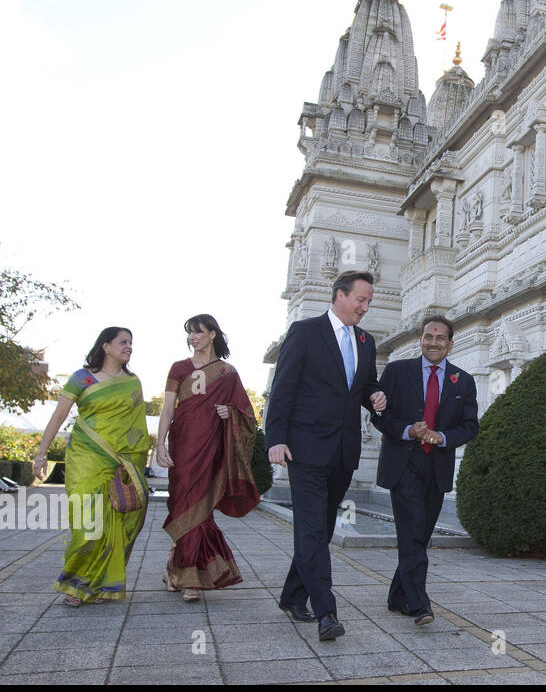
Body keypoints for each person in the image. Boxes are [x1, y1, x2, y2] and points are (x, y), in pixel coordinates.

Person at [264, 271, 387, 641]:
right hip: (305, 448)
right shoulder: (304, 332)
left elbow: (365, 386)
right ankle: (326, 612)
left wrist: (376, 397)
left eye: (368, 302)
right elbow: (282, 389)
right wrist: (276, 438)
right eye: (360, 300)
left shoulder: (366, 341)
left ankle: (291, 595)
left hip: (344, 451)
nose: (365, 308)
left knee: (322, 529)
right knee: (312, 529)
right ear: (339, 295)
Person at [372, 315, 478, 625]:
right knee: (413, 529)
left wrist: (442, 436)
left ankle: (397, 594)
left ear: (450, 343)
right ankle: (418, 603)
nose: (433, 342)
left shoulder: (464, 380)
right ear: (420, 340)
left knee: (417, 534)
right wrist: (408, 430)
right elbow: (379, 417)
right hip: (403, 463)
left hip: (437, 465)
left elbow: (470, 426)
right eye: (428, 336)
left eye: (440, 338)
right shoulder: (396, 371)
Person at [33, 328, 150, 606]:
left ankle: (99, 584)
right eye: (123, 342)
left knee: (129, 515)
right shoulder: (82, 377)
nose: (129, 347)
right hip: (86, 458)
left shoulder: (132, 382)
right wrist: (41, 453)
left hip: (123, 461)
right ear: (106, 346)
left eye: (131, 343)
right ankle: (77, 585)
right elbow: (59, 415)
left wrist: (132, 456)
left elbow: (136, 426)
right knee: (88, 521)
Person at [155, 315, 260, 603]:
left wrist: (231, 412)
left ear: (212, 334)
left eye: (198, 332)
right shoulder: (179, 368)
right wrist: (160, 443)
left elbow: (249, 415)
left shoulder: (228, 373)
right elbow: (167, 409)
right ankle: (174, 568)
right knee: (181, 505)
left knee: (200, 509)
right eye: (189, 332)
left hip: (212, 447)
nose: (192, 337)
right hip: (183, 444)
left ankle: (191, 579)